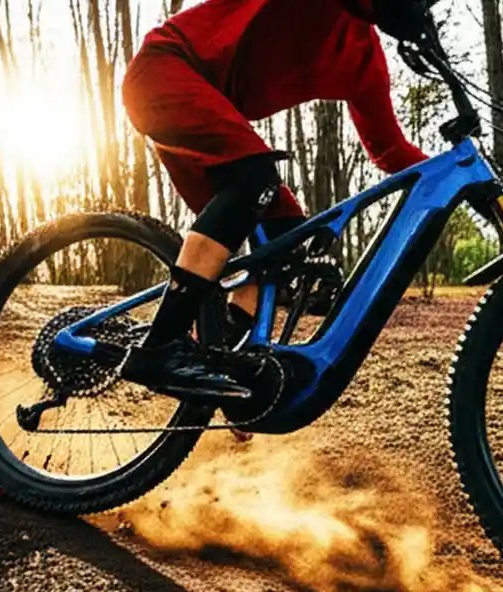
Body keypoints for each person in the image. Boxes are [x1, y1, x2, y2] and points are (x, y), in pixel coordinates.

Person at [119, 0, 433, 400]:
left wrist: (456, 169)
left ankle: (223, 367)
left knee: (287, 234)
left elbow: (388, 149)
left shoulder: (365, 59)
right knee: (255, 182)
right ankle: (159, 347)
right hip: (165, 72)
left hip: (205, 103)